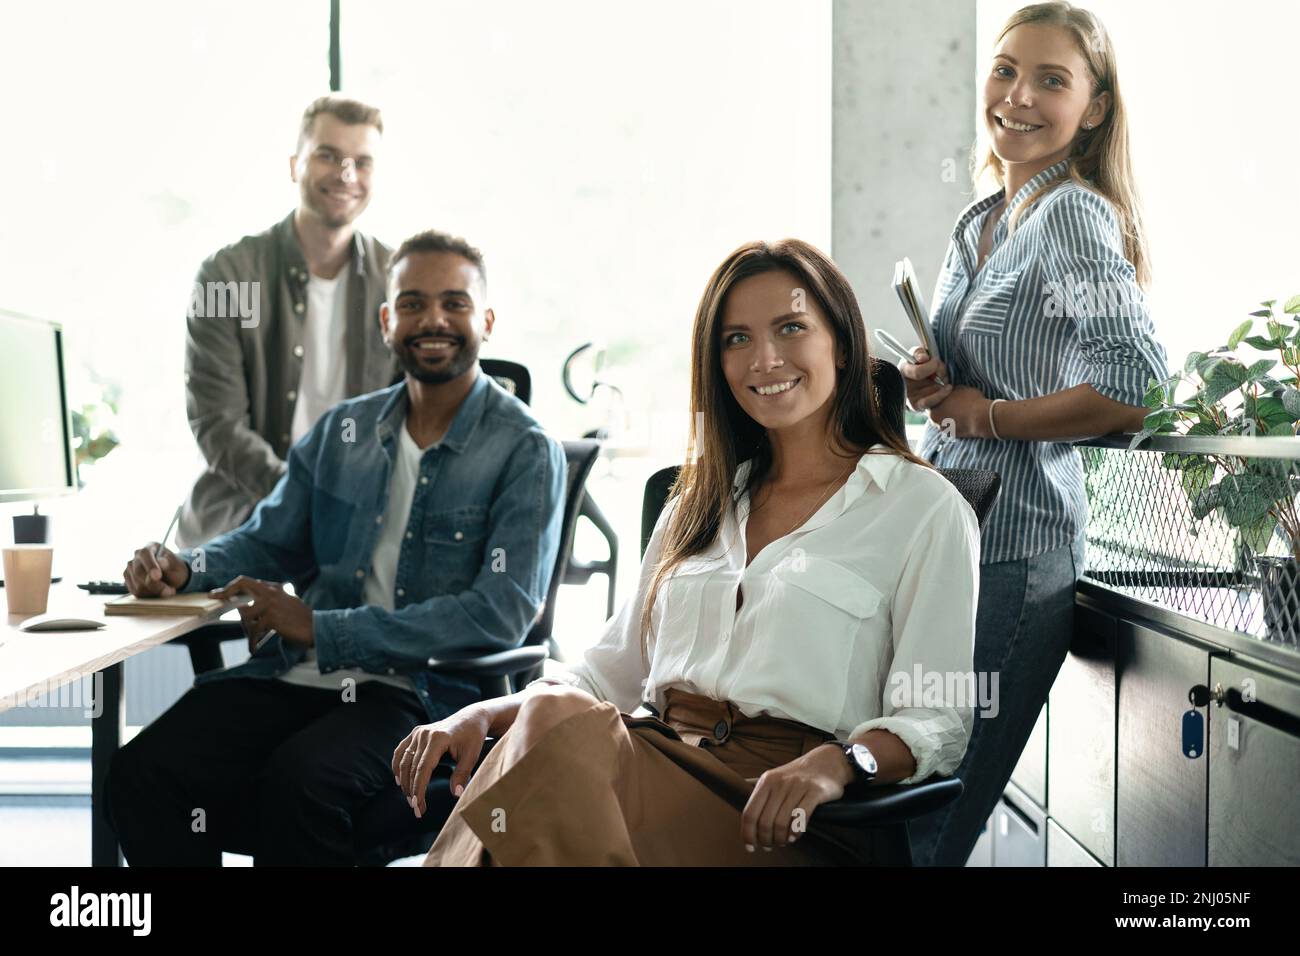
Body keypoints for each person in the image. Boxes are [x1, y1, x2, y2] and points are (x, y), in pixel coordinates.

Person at [391, 238, 980, 866]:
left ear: (839, 341)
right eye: (737, 339)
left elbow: (936, 721)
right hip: (653, 771)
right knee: (551, 711)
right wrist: (484, 713)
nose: (765, 358)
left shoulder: (922, 508)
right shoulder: (698, 504)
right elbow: (604, 676)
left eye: (790, 327)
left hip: (788, 812)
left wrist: (836, 764)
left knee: (545, 758)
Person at [105, 230, 567, 865]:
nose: (433, 319)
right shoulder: (342, 432)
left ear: (486, 321)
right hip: (298, 677)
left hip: (423, 696)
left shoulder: (523, 449)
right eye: (412, 303)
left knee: (299, 786)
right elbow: (270, 540)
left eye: (454, 303)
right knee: (144, 771)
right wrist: (187, 568)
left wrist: (323, 629)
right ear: (386, 321)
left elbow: (498, 612)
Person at [900, 1, 1168, 866]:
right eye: (1006, 69)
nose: (1017, 95)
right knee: (905, 787)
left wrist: (995, 415)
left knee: (938, 810)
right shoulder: (980, 222)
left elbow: (1135, 385)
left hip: (1014, 559)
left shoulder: (1072, 219)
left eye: (1052, 79)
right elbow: (969, 384)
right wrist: (931, 384)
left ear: (1093, 108)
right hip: (947, 544)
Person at [178, 93, 400, 548]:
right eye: (328, 155)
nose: (346, 175)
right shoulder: (227, 275)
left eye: (362, 162)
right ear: (294, 164)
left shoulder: (399, 283)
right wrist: (306, 499)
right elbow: (218, 427)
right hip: (240, 520)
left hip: (358, 525)